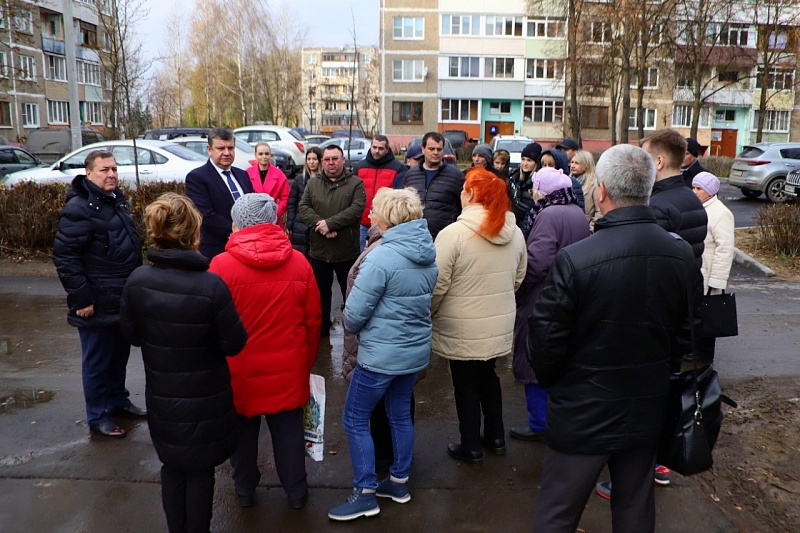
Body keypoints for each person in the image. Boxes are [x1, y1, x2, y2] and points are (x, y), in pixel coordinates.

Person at [528, 144, 698, 532]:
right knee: (635, 510)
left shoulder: (575, 259)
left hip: (582, 411)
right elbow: (688, 337)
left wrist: (561, 385)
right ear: (648, 189)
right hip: (647, 408)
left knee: (557, 514)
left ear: (601, 190)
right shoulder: (680, 254)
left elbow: (544, 344)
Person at [119, 193, 247, 533]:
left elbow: (131, 334)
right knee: (201, 471)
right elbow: (234, 343)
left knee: (173, 467)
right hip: (206, 401)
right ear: (193, 234)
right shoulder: (211, 285)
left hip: (163, 398)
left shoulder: (137, 280)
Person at [328, 188, 438, 521]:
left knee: (354, 418)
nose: (371, 215)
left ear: (388, 217)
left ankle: (365, 493)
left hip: (380, 356)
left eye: (375, 211)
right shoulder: (427, 251)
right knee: (399, 415)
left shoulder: (380, 257)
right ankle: (398, 482)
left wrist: (349, 321)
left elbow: (354, 315)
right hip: (412, 352)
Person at [209, 193, 321, 510]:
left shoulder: (221, 265)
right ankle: (296, 491)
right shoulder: (299, 262)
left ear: (238, 224)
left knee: (241, 432)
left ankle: (245, 488)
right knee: (289, 432)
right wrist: (306, 360)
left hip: (238, 369)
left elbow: (212, 323)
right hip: (288, 365)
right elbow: (313, 320)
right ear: (274, 221)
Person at [431, 168, 527, 463]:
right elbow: (518, 277)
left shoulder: (453, 234)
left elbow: (437, 284)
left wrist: (430, 312)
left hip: (460, 324)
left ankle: (471, 445)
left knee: (465, 383)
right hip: (498, 321)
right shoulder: (515, 232)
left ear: (472, 193)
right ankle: (495, 437)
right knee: (488, 376)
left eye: (464, 187)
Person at [53, 150, 146, 438]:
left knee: (118, 357)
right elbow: (66, 257)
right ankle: (98, 415)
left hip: (121, 297)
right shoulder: (79, 208)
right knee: (97, 363)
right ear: (89, 173)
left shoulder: (116, 200)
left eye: (114, 169)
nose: (111, 174)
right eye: (104, 170)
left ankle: (118, 402)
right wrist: (82, 299)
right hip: (95, 302)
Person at [510, 167, 590, 442]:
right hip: (569, 293)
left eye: (535, 188)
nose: (532, 193)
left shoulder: (547, 214)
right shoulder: (576, 210)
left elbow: (538, 261)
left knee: (533, 356)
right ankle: (558, 417)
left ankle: (539, 423)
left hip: (542, 295)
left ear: (543, 190)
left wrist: (519, 287)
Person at [299, 144, 367, 335]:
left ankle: (351, 330)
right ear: (322, 162)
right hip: (319, 251)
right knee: (320, 294)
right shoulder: (313, 183)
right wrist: (320, 225)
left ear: (343, 160)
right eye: (327, 159)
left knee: (350, 293)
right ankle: (322, 331)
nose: (331, 163)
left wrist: (331, 224)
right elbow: (304, 207)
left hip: (346, 252)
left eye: (335, 159)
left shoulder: (355, 184)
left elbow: (356, 210)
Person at [186, 127, 254, 259]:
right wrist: (240, 232)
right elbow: (206, 215)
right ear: (209, 149)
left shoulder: (242, 174)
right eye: (221, 148)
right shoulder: (197, 178)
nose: (227, 153)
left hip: (248, 247)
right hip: (217, 250)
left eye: (230, 148)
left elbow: (252, 207)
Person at [692, 171, 735, 364]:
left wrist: (717, 280)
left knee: (708, 316)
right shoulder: (699, 208)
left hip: (709, 274)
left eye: (699, 188)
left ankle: (704, 357)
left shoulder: (721, 213)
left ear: (710, 191)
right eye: (693, 187)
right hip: (697, 271)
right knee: (696, 315)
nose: (694, 192)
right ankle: (695, 352)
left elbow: (725, 248)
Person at [402, 131, 465, 240]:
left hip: (445, 238)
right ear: (423, 149)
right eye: (431, 149)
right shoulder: (411, 175)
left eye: (439, 149)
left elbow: (463, 208)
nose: (435, 152)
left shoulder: (456, 177)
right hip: (415, 237)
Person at [353, 135, 404, 250]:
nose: (376, 151)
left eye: (380, 148)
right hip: (363, 223)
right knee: (362, 256)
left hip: (386, 225)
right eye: (374, 147)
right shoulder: (359, 167)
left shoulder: (398, 168)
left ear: (387, 149)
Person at [287, 146, 323, 256]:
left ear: (320, 160)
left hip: (317, 224)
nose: (311, 162)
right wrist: (291, 222)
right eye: (309, 159)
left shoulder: (324, 180)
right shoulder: (299, 180)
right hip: (299, 225)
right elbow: (292, 202)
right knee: (300, 256)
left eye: (314, 159)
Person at [245, 141, 290, 221]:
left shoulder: (279, 174)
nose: (264, 157)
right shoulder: (248, 173)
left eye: (267, 154)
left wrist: (275, 212)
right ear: (255, 155)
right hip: (253, 217)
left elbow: (285, 198)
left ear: (270, 155)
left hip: (272, 217)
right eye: (260, 154)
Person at [509, 142, 542, 228]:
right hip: (514, 225)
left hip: (529, 226)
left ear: (536, 163)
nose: (525, 163)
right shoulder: (513, 178)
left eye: (529, 160)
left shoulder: (539, 182)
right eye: (523, 159)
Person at [569, 149, 600, 230]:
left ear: (586, 164)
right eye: (572, 162)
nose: (572, 165)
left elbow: (600, 212)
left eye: (577, 163)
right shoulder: (566, 181)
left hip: (585, 228)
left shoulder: (594, 184)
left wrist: (590, 230)